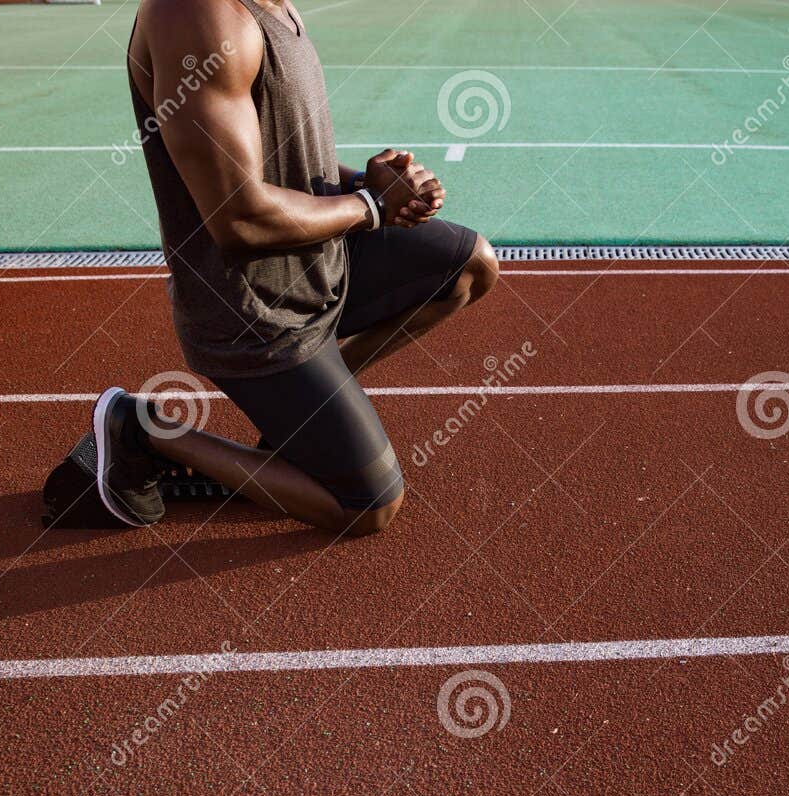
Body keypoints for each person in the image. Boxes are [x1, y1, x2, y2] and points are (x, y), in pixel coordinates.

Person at [97, 0, 498, 535]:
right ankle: (141, 431)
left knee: (468, 264)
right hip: (256, 310)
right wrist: (372, 208)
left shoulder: (272, 6)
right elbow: (239, 218)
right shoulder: (198, 18)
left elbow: (278, 151)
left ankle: (294, 434)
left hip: (323, 263)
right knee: (368, 505)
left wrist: (369, 186)